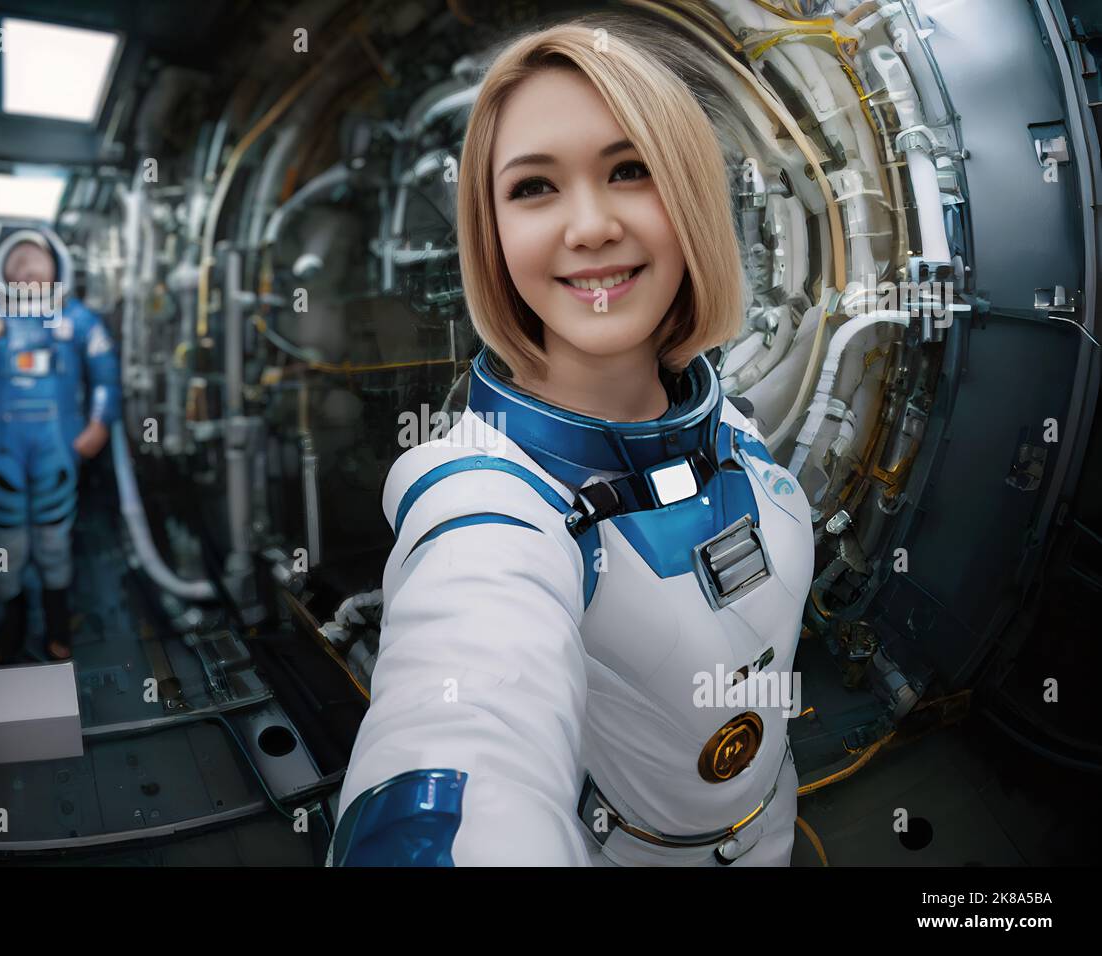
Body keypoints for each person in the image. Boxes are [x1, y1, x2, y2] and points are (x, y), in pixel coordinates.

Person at [328, 18, 815, 866]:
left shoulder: (723, 423)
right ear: (493, 236)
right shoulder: (484, 500)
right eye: (533, 188)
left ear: (694, 196)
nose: (589, 227)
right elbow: (462, 732)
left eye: (630, 171)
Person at [0, 230, 121, 665]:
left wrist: (99, 424)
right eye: (16, 259)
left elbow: (106, 375)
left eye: (35, 258)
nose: (26, 266)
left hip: (58, 448)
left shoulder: (77, 318)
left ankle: (56, 621)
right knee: (5, 541)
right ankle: (10, 622)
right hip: (0, 450)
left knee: (54, 537)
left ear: (57, 266)